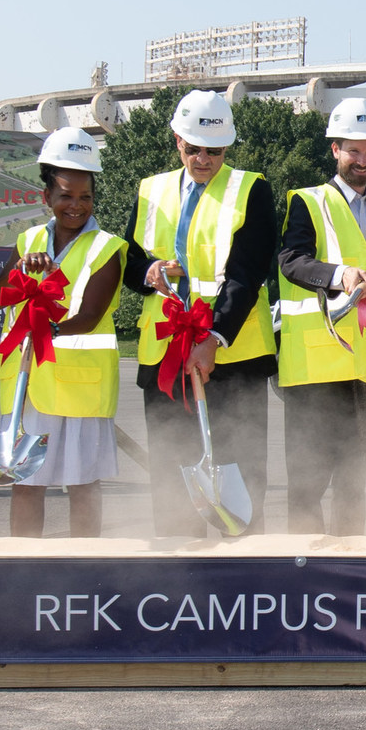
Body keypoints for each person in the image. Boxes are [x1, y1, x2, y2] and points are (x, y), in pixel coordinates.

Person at [119, 90, 278, 538]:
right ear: (177, 142)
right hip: (165, 356)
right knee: (171, 482)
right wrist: (150, 272)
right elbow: (127, 262)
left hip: (232, 360)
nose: (204, 159)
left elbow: (247, 274)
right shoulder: (150, 191)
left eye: (215, 150)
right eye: (195, 149)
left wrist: (213, 340)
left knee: (240, 488)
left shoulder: (252, 189)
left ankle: (245, 588)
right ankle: (178, 584)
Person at [273, 97, 366, 535]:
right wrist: (340, 274)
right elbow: (290, 261)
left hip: (364, 369)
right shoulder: (308, 202)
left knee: (353, 486)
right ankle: (304, 577)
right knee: (306, 488)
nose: (363, 161)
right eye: (354, 151)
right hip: (315, 367)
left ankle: (349, 578)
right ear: (335, 150)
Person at [0, 128, 126, 537]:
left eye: (85, 197)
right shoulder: (27, 239)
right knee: (26, 484)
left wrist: (50, 290)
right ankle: (23, 569)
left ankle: (83, 570)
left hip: (80, 390)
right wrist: (19, 271)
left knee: (82, 486)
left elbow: (88, 315)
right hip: (26, 388)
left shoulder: (108, 247)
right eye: (65, 195)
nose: (76, 206)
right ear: (45, 196)